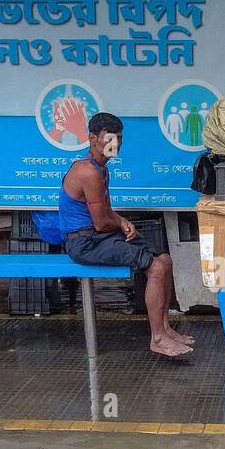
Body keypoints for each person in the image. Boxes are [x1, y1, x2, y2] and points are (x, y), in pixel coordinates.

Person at [59, 112, 193, 358]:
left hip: (98, 236)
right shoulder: (87, 172)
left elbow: (106, 212)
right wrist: (119, 226)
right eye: (110, 138)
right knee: (155, 268)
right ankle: (158, 339)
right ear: (92, 138)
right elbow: (100, 224)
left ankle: (165, 328)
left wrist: (122, 221)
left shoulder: (101, 168)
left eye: (119, 138)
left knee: (165, 260)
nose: (116, 144)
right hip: (84, 243)